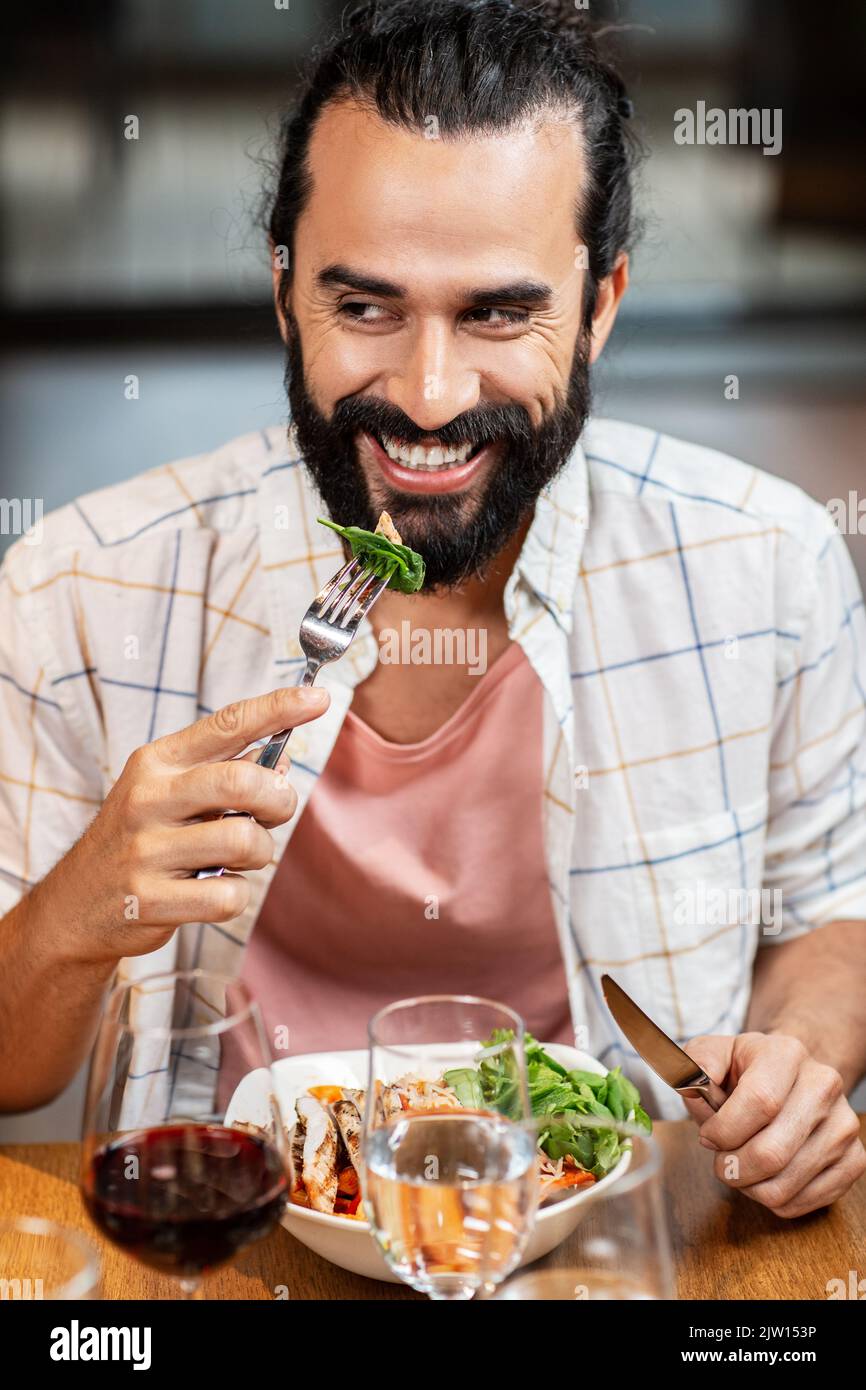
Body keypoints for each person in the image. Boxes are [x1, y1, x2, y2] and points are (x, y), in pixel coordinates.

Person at [1, 0, 864, 1217]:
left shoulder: (765, 561)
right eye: (365, 310)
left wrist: (795, 1068)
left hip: (614, 1234)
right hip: (234, 1228)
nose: (426, 396)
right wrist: (80, 909)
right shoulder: (79, 585)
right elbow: (13, 1070)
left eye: (498, 313)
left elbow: (831, 909)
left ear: (602, 302)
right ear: (283, 291)